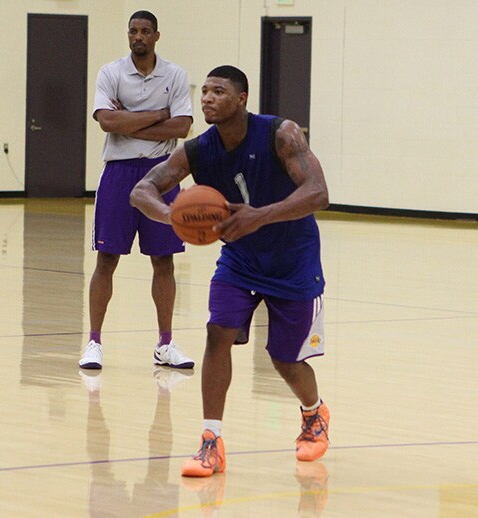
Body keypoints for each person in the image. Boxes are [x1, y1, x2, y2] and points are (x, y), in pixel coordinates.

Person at [130, 65, 331, 477]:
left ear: (241, 99)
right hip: (239, 259)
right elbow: (141, 190)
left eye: (218, 91)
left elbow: (318, 193)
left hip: (293, 258)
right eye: (203, 91)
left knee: (284, 359)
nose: (207, 98)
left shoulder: (281, 133)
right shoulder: (199, 149)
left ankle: (314, 414)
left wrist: (261, 216)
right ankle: (211, 440)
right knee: (216, 334)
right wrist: (172, 215)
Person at [79, 10, 195, 370]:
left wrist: (129, 121)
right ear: (128, 35)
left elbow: (184, 127)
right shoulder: (110, 72)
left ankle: (165, 344)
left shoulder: (174, 75)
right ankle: (94, 342)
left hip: (161, 174)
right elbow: (107, 121)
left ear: (156, 36)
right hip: (118, 172)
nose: (138, 36)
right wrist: (157, 115)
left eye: (145, 31)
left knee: (164, 260)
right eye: (133, 31)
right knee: (107, 259)